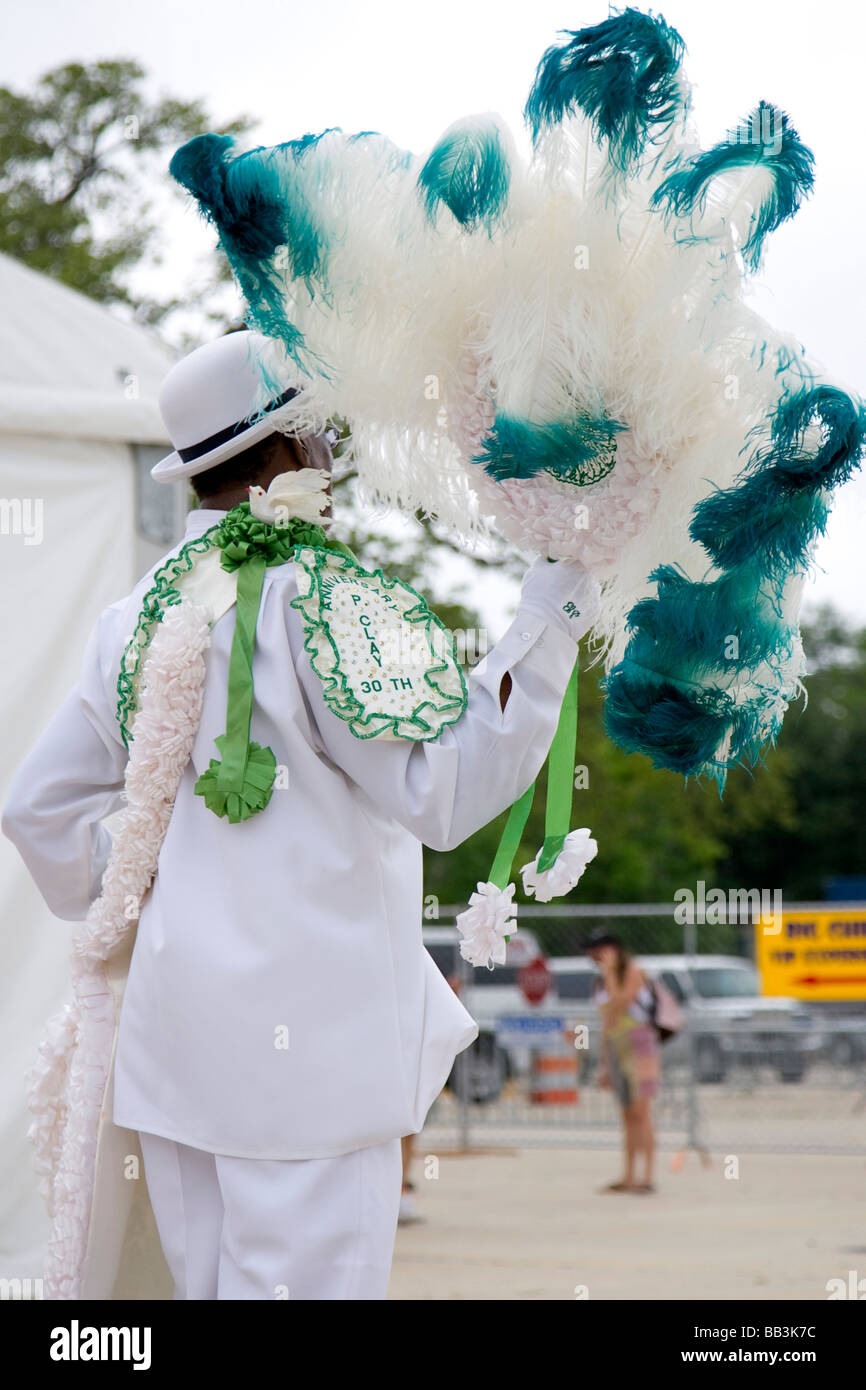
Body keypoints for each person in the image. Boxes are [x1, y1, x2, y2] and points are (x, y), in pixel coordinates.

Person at [3, 328, 601, 1300]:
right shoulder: (334, 601)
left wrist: (139, 902)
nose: (332, 454)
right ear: (291, 450)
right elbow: (443, 794)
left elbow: (36, 809)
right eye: (322, 434)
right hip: (314, 1067)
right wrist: (553, 600)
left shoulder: (136, 614)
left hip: (174, 1050)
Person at [586, 930, 660, 1194]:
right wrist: (604, 1063)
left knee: (642, 1111)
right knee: (627, 1113)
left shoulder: (632, 971)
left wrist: (608, 973)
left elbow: (620, 1002)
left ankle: (647, 1176)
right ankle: (628, 1175)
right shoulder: (600, 981)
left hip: (639, 1044)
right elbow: (607, 1021)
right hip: (617, 1044)